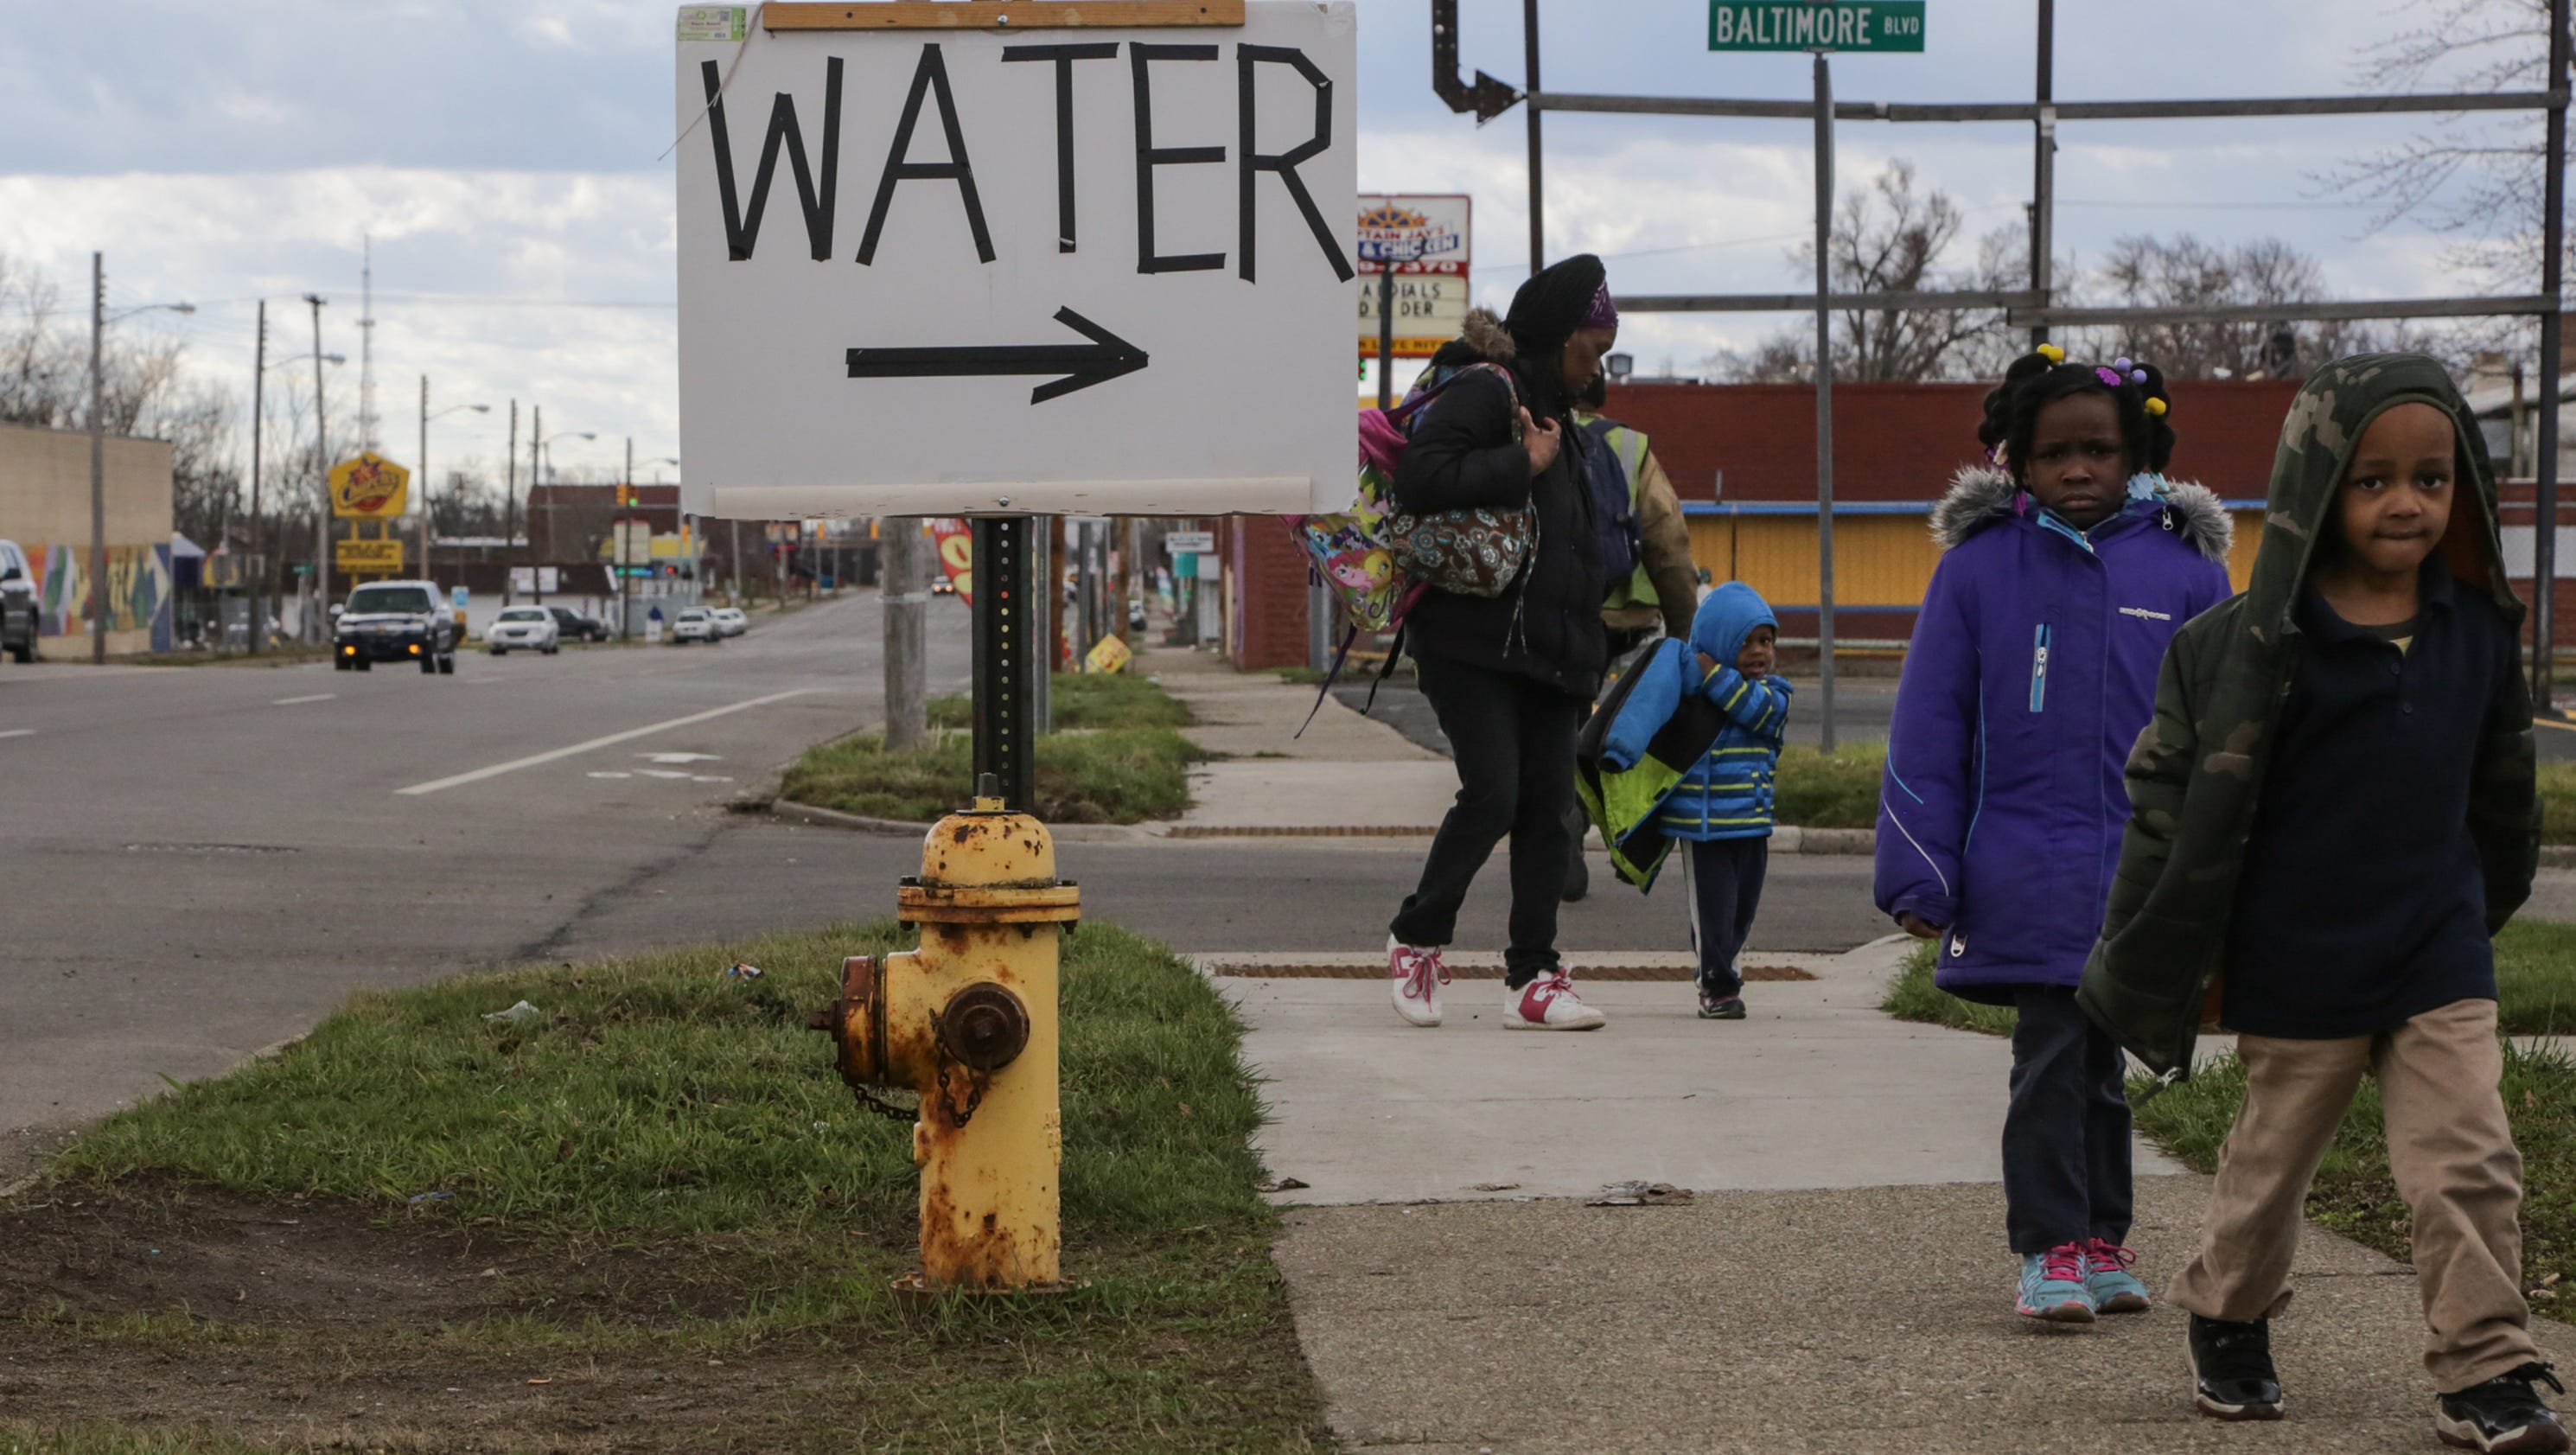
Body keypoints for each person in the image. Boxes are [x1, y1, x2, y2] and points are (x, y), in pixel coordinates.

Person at [2078, 354, 2557, 1449]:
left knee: (2468, 1158)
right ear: (2316, 486)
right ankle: (2230, 1315)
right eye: (2373, 478)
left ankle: (2488, 1365)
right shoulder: (2248, 650)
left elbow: (2502, 798)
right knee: (2270, 1164)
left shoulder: (2478, 635)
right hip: (2298, 953)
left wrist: (2473, 911)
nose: (2406, 502)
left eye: (2431, 480)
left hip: (2436, 947)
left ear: (2463, 490)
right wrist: (2151, 948)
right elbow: (2169, 800)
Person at [1874, 346, 2235, 1324]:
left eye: (2099, 451)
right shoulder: (1977, 570)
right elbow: (1928, 722)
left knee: (2105, 1069)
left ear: (2137, 454)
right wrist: (1918, 867)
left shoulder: (2188, 574)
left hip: (2138, 876)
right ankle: (2047, 1248)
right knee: (2049, 1058)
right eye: (2053, 454)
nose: (2078, 470)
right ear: (2017, 462)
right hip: (2020, 870)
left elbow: (2233, 735)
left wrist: (2227, 871)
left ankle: (2103, 1239)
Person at [1385, 254, 1615, 1032]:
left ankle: (1534, 974)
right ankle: (1418, 935)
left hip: (1551, 653)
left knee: (1550, 810)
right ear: (1557, 338)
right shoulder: (1491, 391)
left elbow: (1576, 549)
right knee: (1495, 793)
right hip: (1469, 641)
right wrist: (1524, 461)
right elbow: (1422, 476)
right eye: (1594, 345)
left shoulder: (1568, 427)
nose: (1600, 363)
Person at [1561, 371, 1703, 903]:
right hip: (1617, 617)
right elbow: (1668, 539)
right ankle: (1603, 816)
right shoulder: (1627, 445)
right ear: (1600, 396)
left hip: (1549, 617)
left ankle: (1564, 821)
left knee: (1561, 723)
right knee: (1615, 723)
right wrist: (1687, 633)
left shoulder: (1528, 427)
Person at [1656, 583, 1789, 1019]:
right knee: (1713, 913)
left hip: (1752, 823)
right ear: (1716, 643)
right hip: (1704, 827)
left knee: (1742, 910)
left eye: (1765, 641)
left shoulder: (1775, 695)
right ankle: (1717, 985)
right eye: (1745, 641)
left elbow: (1750, 708)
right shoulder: (1690, 696)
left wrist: (1713, 674)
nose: (1758, 652)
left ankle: (1727, 968)